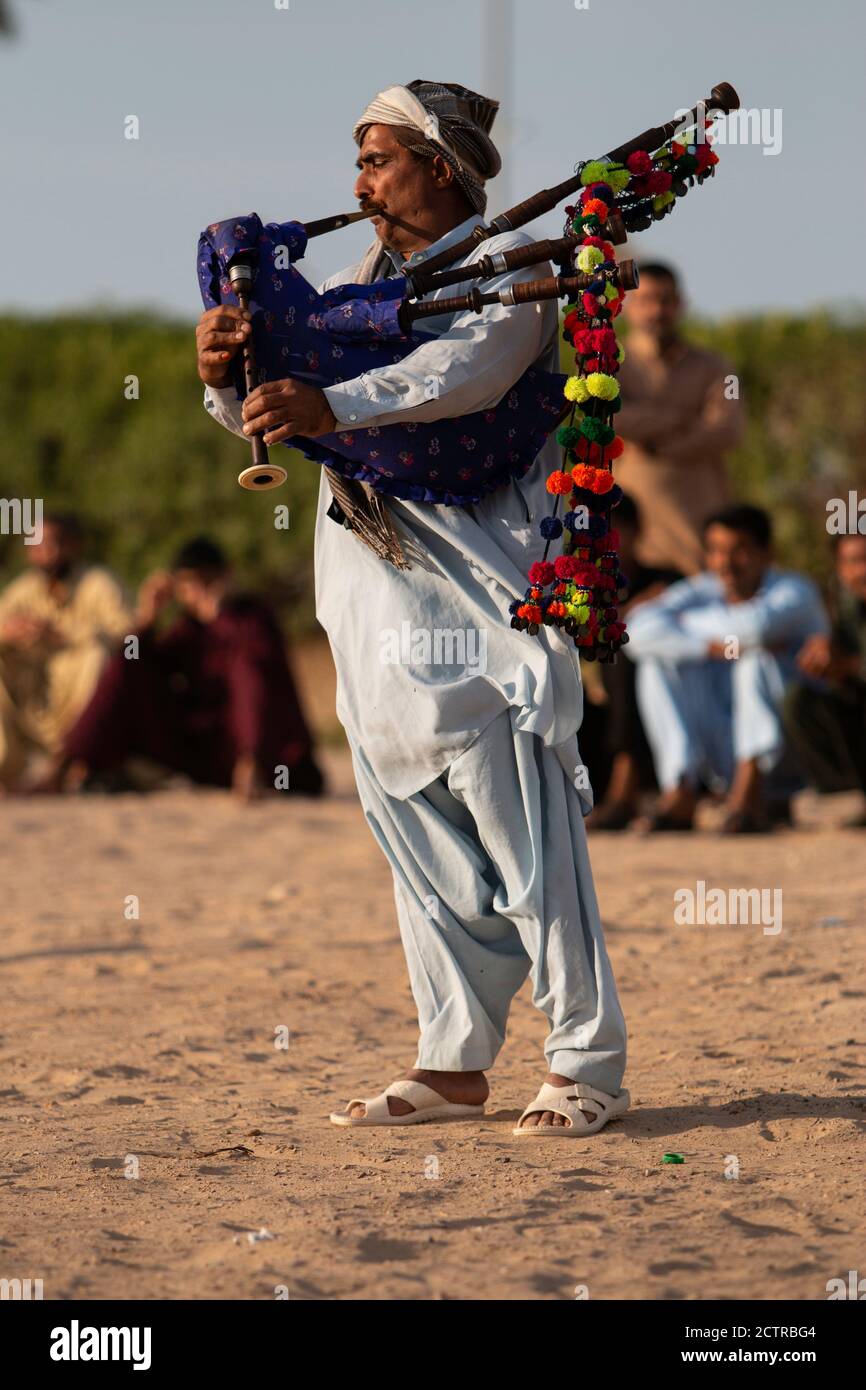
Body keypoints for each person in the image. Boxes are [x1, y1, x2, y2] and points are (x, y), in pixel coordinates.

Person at [197, 79, 628, 1136]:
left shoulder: (513, 269)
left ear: (442, 166)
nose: (360, 183)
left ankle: (585, 1063)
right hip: (365, 595)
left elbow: (464, 373)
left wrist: (332, 399)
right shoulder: (348, 286)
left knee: (522, 834)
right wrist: (225, 378)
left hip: (475, 583)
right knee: (416, 840)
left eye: (380, 159)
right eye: (357, 163)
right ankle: (453, 1060)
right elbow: (284, 403)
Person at [52, 537, 323, 800]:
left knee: (246, 667)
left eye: (206, 582)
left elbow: (255, 686)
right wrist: (148, 617)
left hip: (272, 760)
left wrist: (250, 756)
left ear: (226, 578)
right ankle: (71, 762)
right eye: (189, 586)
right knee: (126, 663)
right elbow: (140, 664)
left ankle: (249, 764)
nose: (198, 593)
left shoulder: (252, 617)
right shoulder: (189, 629)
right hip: (207, 754)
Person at [625, 504, 829, 833]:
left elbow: (755, 629)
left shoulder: (795, 590)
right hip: (725, 740)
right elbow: (636, 632)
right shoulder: (705, 589)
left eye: (739, 551)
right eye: (716, 551)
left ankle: (750, 791)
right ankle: (681, 786)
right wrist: (711, 648)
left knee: (756, 659)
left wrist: (682, 625)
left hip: (794, 753)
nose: (726, 563)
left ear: (767, 553)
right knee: (657, 662)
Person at [615, 262, 744, 576]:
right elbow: (612, 417)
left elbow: (729, 427)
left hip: (698, 528)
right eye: (646, 300)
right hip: (631, 534)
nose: (657, 310)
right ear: (628, 305)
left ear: (681, 304)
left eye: (666, 300)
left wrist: (654, 447)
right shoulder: (608, 363)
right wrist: (683, 419)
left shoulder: (719, 368)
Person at [0, 512, 130, 791]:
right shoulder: (22, 590)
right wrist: (9, 632)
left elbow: (131, 638)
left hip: (80, 690)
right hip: (33, 696)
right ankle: (5, 767)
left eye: (52, 543)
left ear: (73, 545)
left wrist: (61, 635)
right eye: (35, 545)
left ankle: (76, 761)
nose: (43, 552)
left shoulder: (98, 583)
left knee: (97, 655)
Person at [587, 494, 680, 830]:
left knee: (624, 651)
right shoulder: (577, 589)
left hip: (646, 720)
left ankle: (624, 788)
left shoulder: (668, 580)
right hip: (589, 724)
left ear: (638, 531)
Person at [784, 532, 866, 822]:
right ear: (841, 569)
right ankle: (846, 795)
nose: (862, 570)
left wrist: (848, 665)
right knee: (800, 700)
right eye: (854, 561)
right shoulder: (848, 604)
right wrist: (825, 657)